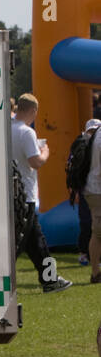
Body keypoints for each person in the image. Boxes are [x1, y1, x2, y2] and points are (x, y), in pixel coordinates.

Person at [11, 94, 72, 292]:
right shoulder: (27, 132)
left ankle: (50, 279)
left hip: (12, 192)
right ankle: (48, 279)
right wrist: (45, 151)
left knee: (36, 241)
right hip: (26, 194)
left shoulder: (7, 129)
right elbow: (35, 162)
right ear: (34, 111)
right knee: (22, 242)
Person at [76, 118, 98, 266]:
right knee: (87, 223)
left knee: (93, 225)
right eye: (91, 131)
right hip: (87, 190)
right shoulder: (81, 147)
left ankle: (93, 257)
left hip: (91, 190)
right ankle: (84, 253)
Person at [84, 115, 101, 284]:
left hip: (93, 189)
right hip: (97, 190)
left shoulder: (96, 135)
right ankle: (95, 273)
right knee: (98, 233)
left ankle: (96, 272)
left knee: (97, 233)